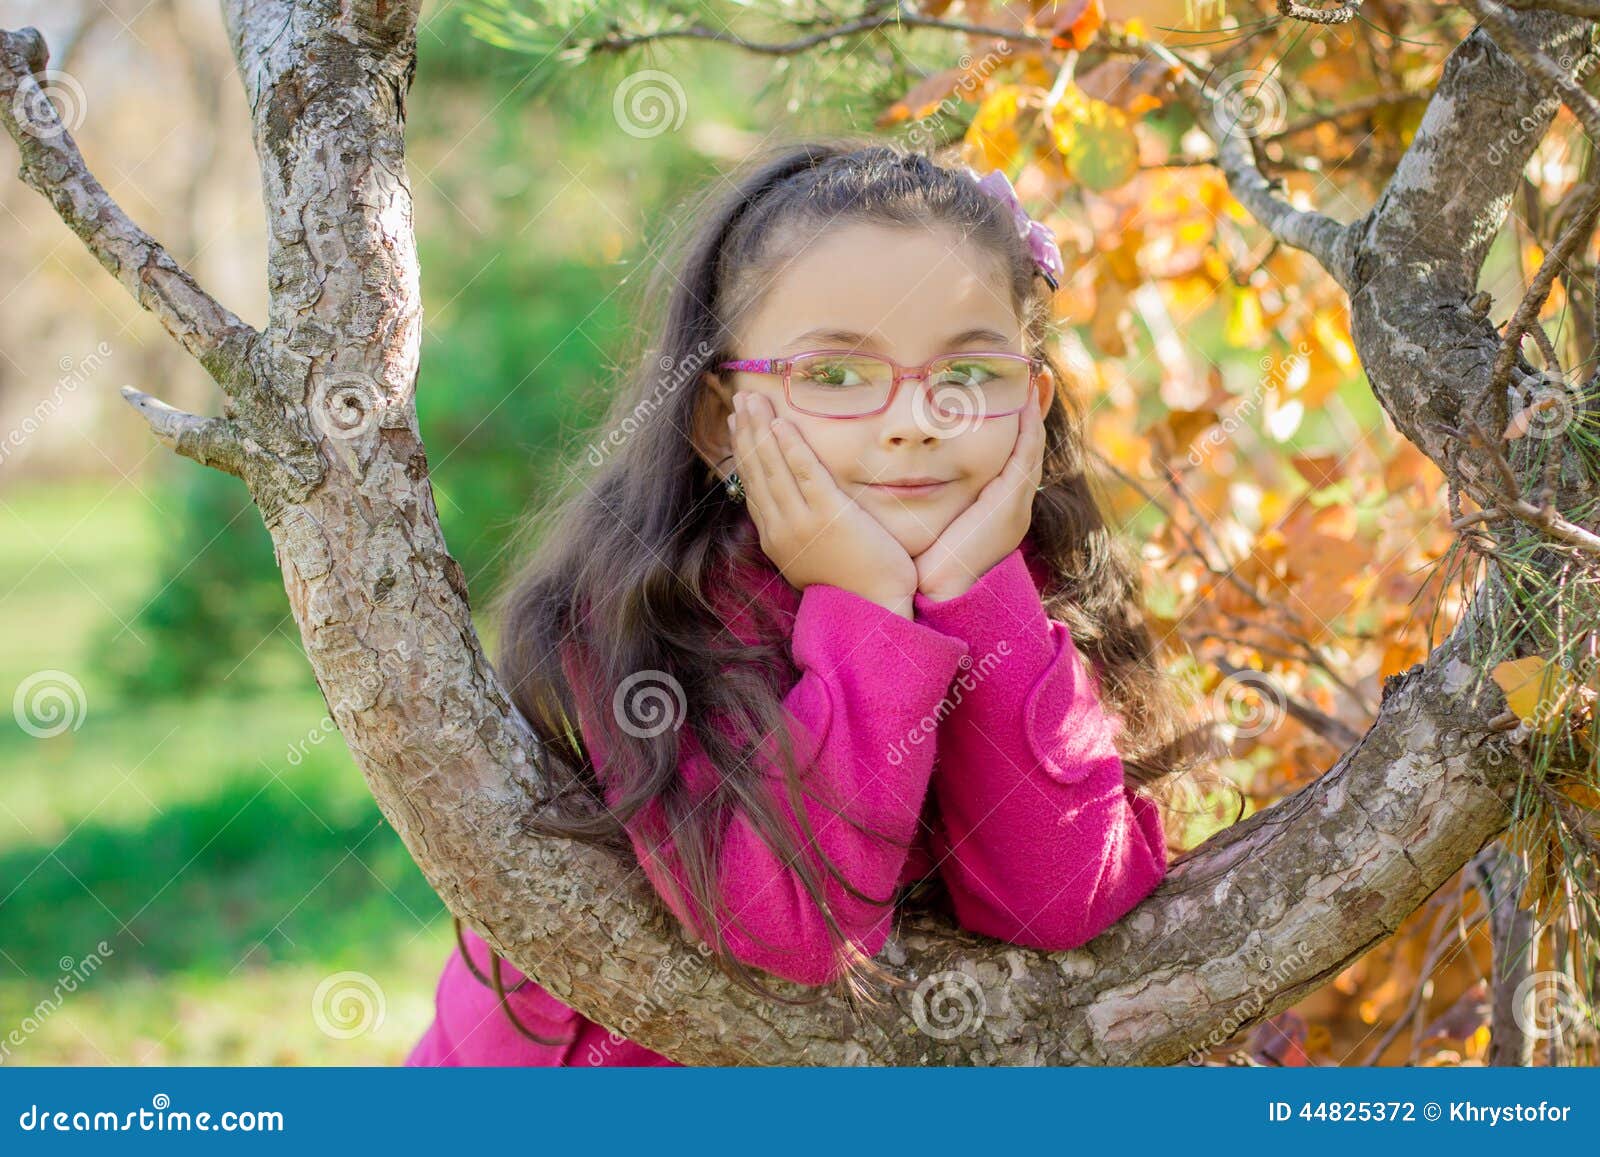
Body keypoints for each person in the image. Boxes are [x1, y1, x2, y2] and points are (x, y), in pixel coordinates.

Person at [403, 136, 1212, 1067]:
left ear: (1033, 401)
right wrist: (865, 606)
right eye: (834, 375)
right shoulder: (645, 616)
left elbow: (1064, 898)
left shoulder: (1030, 581)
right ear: (719, 424)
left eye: (969, 373)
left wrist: (971, 597)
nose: (915, 420)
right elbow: (792, 934)